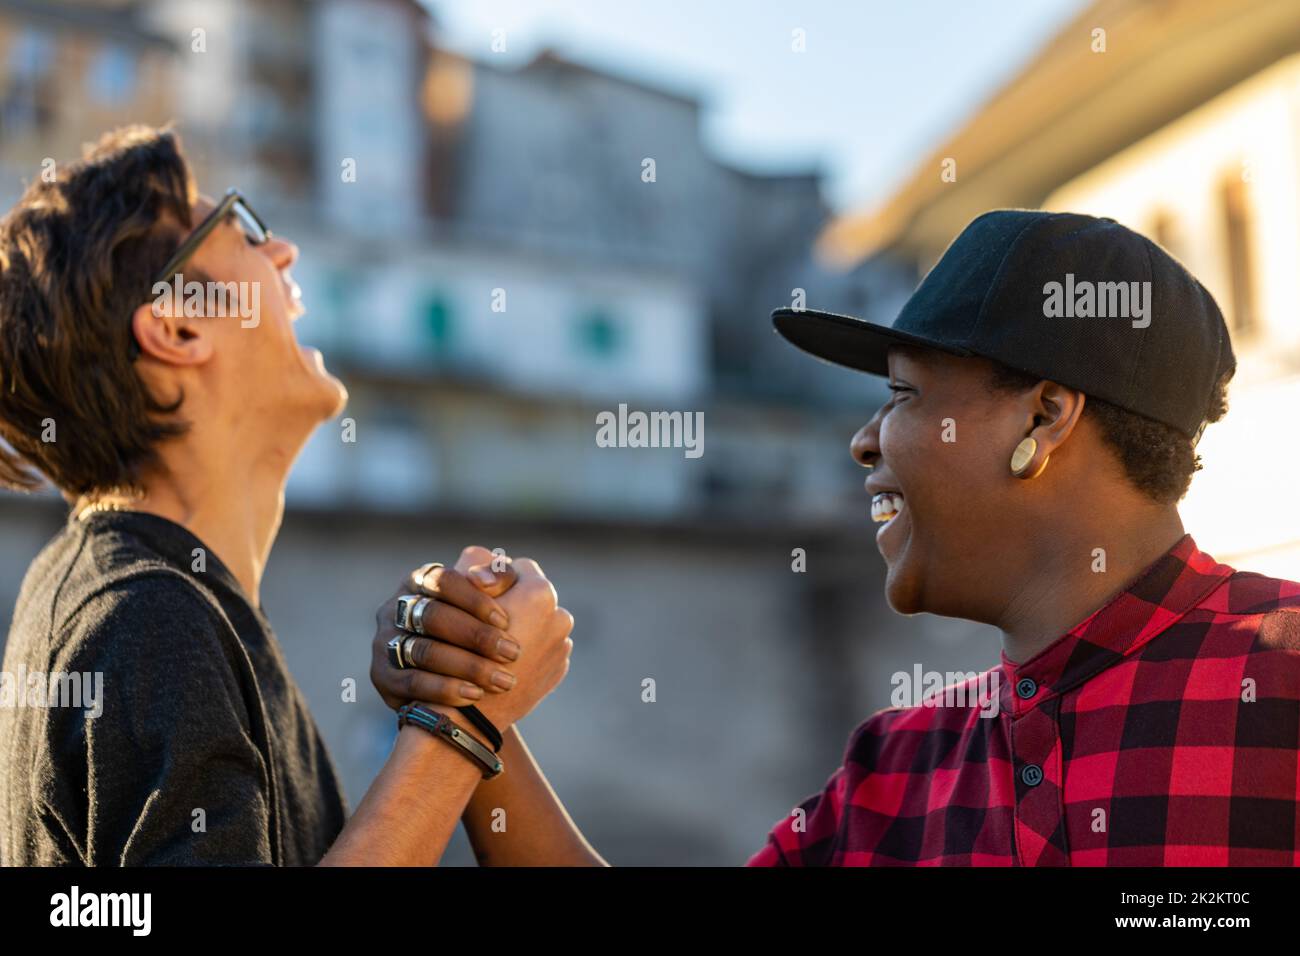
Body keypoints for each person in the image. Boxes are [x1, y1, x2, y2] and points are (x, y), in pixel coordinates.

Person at [381, 210, 1300, 865]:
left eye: (903, 396)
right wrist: (469, 706)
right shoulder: (894, 771)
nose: (864, 439)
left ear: (1047, 416)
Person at [0, 126, 594, 866]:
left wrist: (457, 696)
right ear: (178, 328)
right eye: (241, 228)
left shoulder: (150, 600)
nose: (282, 250)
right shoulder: (148, 618)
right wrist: (465, 722)